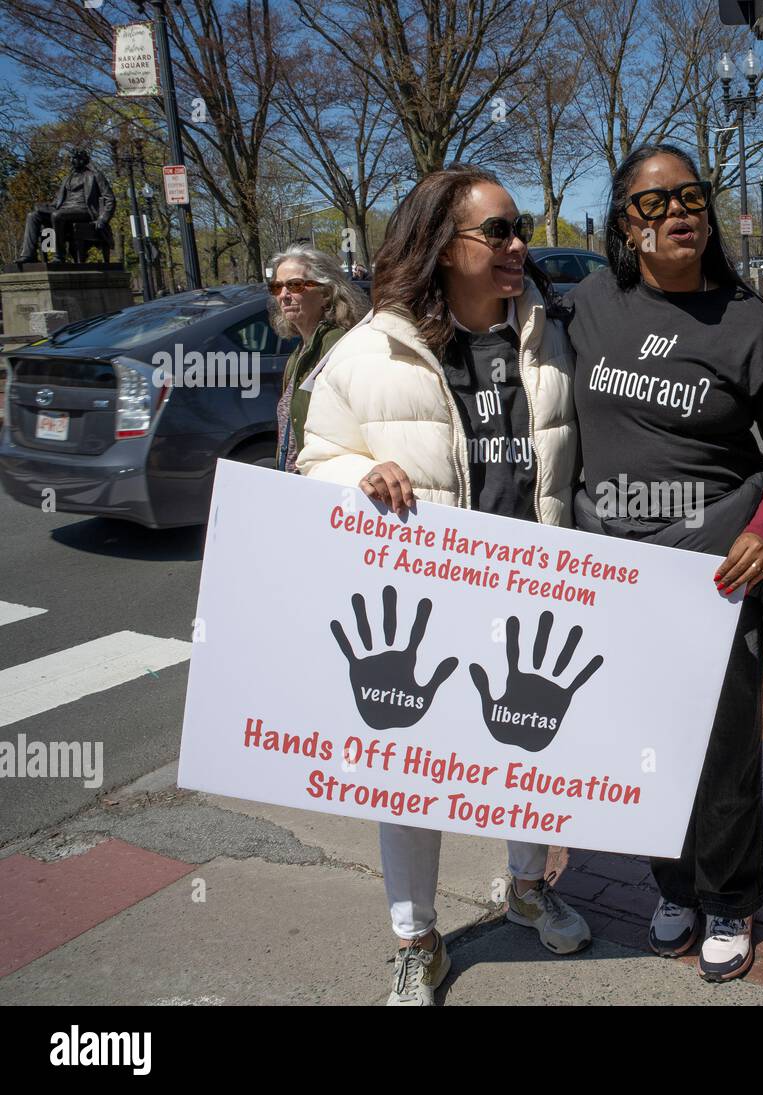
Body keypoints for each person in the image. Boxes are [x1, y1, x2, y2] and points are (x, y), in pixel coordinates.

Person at [295, 164, 591, 1004]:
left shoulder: (550, 333)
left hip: (532, 585)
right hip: (424, 604)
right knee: (410, 766)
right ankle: (416, 937)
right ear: (442, 244)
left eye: (519, 226)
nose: (518, 246)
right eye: (497, 231)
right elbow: (314, 459)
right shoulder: (368, 354)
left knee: (530, 746)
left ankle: (528, 885)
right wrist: (358, 473)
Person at [565, 143, 763, 982]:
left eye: (692, 196)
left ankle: (728, 897)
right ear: (624, 226)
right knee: (643, 743)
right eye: (653, 202)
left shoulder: (749, 323)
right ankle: (671, 882)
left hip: (714, 568)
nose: (679, 212)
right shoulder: (587, 306)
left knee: (720, 754)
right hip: (616, 574)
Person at [266, 245, 368, 473]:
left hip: (327, 484)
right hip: (299, 484)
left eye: (294, 285)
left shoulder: (341, 346)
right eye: (277, 287)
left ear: (325, 293)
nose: (284, 295)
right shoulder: (299, 353)